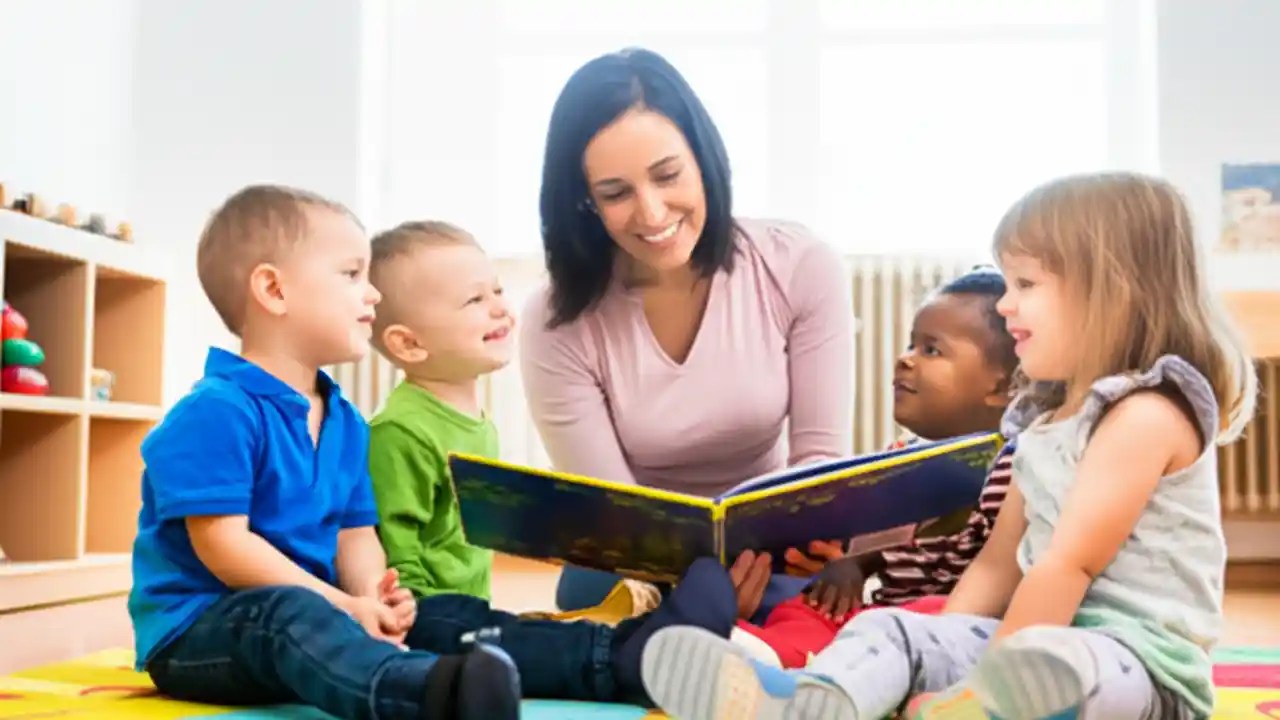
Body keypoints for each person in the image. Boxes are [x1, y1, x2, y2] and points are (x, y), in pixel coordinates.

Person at [639, 171, 1257, 720]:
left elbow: (1070, 564)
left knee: (1063, 662)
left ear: (1109, 292)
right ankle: (809, 699)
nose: (1006, 304)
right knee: (892, 626)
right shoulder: (1040, 426)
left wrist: (986, 673)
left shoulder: (1145, 413)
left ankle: (996, 698)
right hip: (1031, 640)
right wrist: (943, 649)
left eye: (1025, 283)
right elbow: (996, 563)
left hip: (1136, 669)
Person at [127, 187, 740, 720]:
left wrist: (377, 598)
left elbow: (355, 533)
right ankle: (429, 697)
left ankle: (627, 658)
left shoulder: (340, 418)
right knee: (285, 614)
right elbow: (225, 547)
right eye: (350, 275)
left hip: (325, 610)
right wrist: (343, 603)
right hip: (202, 630)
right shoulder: (217, 410)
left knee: (448, 615)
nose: (371, 296)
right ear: (273, 289)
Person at [519, 46, 854, 617]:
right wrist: (700, 591)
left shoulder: (799, 264)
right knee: (615, 627)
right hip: (630, 559)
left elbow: (820, 461)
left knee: (801, 634)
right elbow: (614, 511)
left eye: (668, 175)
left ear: (704, 159)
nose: (651, 214)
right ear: (584, 204)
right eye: (615, 193)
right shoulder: (558, 321)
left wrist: (812, 546)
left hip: (768, 554)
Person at [733, 266, 1020, 669]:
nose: (904, 359)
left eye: (931, 350)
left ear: (1002, 388)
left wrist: (871, 572)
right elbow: (867, 545)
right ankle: (759, 652)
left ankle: (786, 665)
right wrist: (842, 563)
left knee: (924, 620)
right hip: (874, 612)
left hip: (945, 620)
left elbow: (990, 572)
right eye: (910, 345)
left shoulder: (1012, 470)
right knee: (809, 608)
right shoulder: (899, 458)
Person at [365, 220, 512, 601]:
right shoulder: (402, 432)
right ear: (409, 343)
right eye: (475, 300)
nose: (500, 307)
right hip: (427, 614)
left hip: (469, 607)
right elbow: (393, 552)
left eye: (497, 290)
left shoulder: (476, 420)